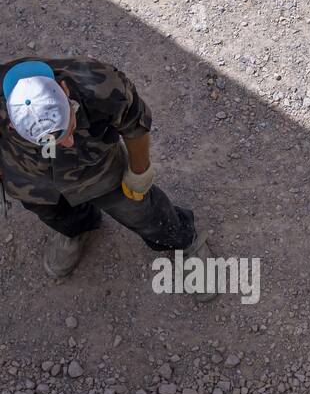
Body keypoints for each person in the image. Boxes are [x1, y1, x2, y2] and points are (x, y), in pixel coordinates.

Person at [0, 57, 213, 297]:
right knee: (57, 215)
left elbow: (135, 125)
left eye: (68, 127)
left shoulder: (98, 84)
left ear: (64, 89)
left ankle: (183, 243)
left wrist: (139, 172)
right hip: (31, 181)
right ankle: (78, 230)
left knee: (140, 212)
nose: (68, 142)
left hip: (97, 171)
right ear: (12, 127)